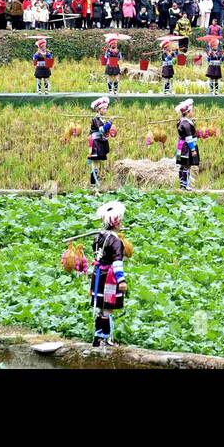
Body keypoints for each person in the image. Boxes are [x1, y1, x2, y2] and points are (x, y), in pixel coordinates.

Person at [89, 201, 128, 347]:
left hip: (98, 275)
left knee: (101, 307)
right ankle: (106, 338)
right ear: (116, 223)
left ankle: (98, 336)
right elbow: (117, 262)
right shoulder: (116, 241)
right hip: (109, 278)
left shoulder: (98, 237)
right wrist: (121, 280)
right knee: (108, 308)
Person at [174, 98, 200, 191]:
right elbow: (189, 138)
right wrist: (193, 150)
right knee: (187, 165)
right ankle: (186, 185)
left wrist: (193, 123)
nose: (193, 112)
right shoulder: (186, 124)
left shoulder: (181, 121)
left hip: (181, 146)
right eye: (192, 111)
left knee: (182, 165)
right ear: (188, 112)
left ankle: (182, 185)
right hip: (187, 147)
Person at [88, 96, 113, 187]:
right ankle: (93, 184)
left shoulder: (102, 119)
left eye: (106, 108)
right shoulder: (96, 119)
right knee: (95, 163)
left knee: (97, 164)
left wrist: (109, 124)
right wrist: (110, 122)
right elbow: (102, 129)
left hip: (100, 142)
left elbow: (105, 131)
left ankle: (95, 183)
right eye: (104, 108)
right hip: (96, 143)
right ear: (99, 109)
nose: (105, 110)